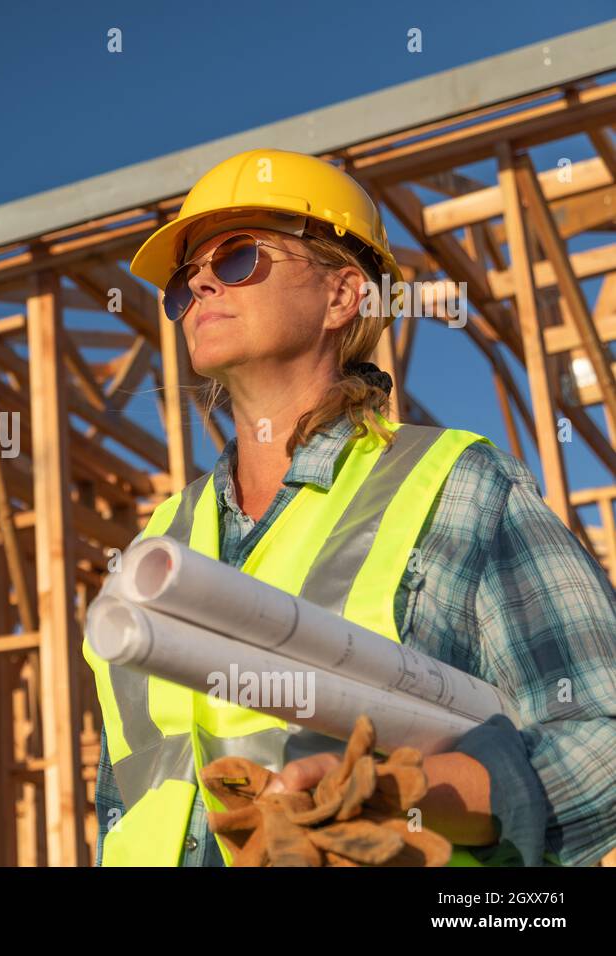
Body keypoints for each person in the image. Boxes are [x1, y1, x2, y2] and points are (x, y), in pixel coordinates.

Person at [82, 148, 616, 867]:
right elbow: (127, 804)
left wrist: (415, 793)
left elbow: (602, 735)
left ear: (342, 296)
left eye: (239, 256)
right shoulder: (156, 552)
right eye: (185, 280)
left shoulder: (455, 486)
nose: (201, 280)